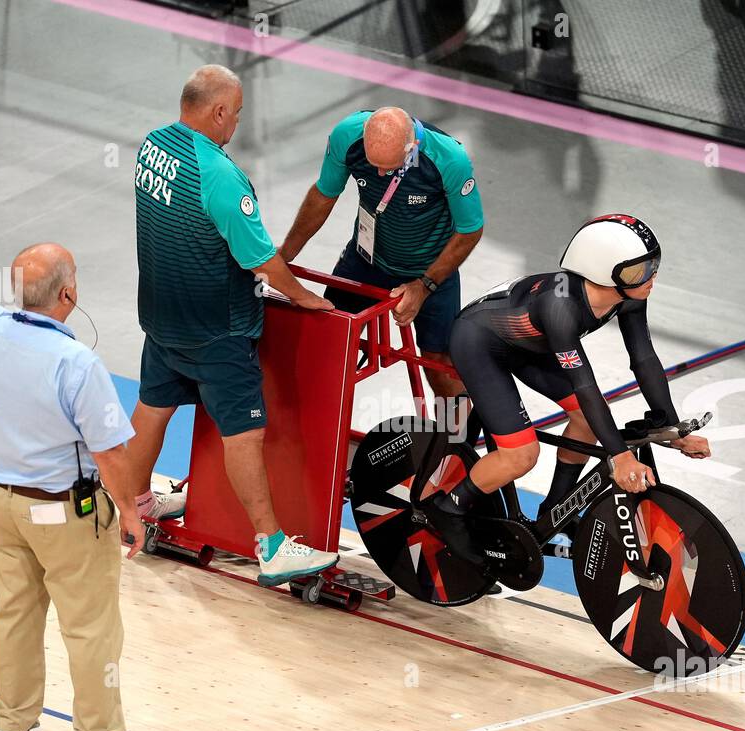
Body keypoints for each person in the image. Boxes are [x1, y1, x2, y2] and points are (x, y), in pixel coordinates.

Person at [0, 204, 148, 731]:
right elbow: (110, 451)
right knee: (91, 624)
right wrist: (129, 509)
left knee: (16, 612)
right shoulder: (77, 363)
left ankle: (13, 720)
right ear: (68, 295)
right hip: (65, 515)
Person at [130, 64, 338, 584]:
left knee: (152, 411)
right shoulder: (222, 178)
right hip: (216, 332)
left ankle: (133, 507)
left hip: (160, 318)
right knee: (245, 434)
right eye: (238, 113)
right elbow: (263, 263)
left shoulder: (151, 146)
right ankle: (272, 547)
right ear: (218, 111)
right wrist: (307, 298)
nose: (238, 123)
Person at [430, 214, 711, 561]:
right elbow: (584, 383)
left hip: (530, 344)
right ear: (603, 272)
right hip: (479, 344)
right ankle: (449, 509)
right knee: (521, 454)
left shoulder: (631, 295)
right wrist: (619, 456)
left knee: (587, 420)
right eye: (639, 270)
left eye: (653, 265)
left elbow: (644, 359)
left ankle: (555, 512)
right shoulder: (560, 308)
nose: (651, 276)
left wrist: (671, 428)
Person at [280, 107, 484, 404]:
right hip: (366, 260)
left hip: (428, 269)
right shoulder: (347, 135)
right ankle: (319, 433)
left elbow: (470, 230)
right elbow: (324, 194)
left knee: (438, 365)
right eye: (373, 164)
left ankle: (457, 442)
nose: (378, 174)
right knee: (329, 342)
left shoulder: (449, 159)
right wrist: (285, 255)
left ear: (411, 148)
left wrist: (424, 285)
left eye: (388, 168)